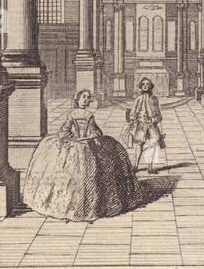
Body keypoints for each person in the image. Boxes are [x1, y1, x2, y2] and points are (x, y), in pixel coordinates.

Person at [21, 89, 138, 221]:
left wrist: (87, 137)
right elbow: (65, 132)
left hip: (84, 144)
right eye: (84, 97)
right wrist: (75, 139)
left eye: (88, 98)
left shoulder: (85, 115)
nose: (86, 100)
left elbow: (94, 132)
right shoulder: (78, 115)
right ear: (78, 99)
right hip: (77, 145)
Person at [124, 77, 165, 175]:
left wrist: (153, 120)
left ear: (151, 86)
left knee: (152, 145)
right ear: (141, 86)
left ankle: (150, 167)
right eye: (144, 84)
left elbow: (159, 115)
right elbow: (133, 112)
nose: (146, 86)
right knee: (139, 146)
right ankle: (135, 165)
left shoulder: (154, 99)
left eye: (147, 84)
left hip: (151, 126)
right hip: (140, 125)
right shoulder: (138, 99)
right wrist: (135, 119)